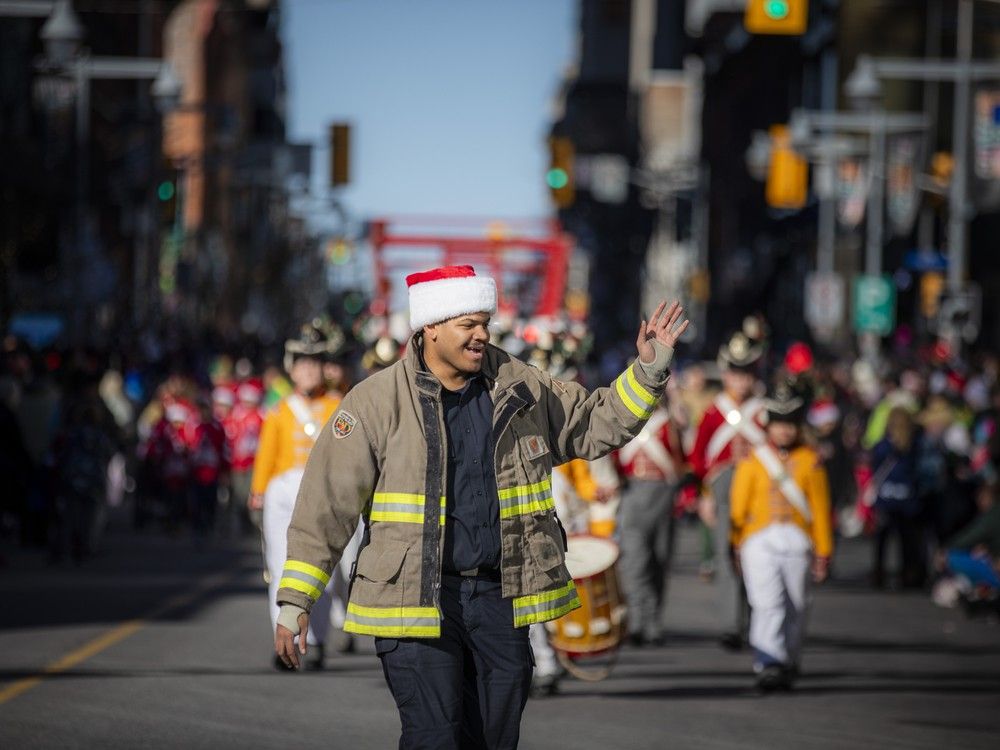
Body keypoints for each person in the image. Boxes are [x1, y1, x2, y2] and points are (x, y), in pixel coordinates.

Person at [274, 265, 688, 749]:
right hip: (414, 603)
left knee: (493, 740)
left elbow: (593, 421)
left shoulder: (521, 386)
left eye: (484, 322)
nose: (481, 334)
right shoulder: (372, 403)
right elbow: (325, 505)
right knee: (434, 738)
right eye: (467, 324)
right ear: (431, 327)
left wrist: (649, 369)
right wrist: (295, 602)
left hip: (500, 600)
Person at [249, 323, 344, 670]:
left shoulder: (339, 404)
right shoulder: (279, 410)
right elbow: (266, 456)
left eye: (315, 362)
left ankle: (315, 641)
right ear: (291, 368)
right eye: (302, 362)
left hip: (324, 491)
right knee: (279, 567)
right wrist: (257, 494)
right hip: (283, 491)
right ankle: (283, 641)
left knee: (324, 569)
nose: (308, 369)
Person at [730, 383, 834, 691]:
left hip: (798, 541)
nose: (784, 431)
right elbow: (739, 506)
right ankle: (768, 661)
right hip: (759, 540)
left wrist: (824, 552)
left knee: (796, 606)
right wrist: (735, 544)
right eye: (779, 424)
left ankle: (788, 658)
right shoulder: (753, 460)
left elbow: (820, 509)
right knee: (767, 604)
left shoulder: (810, 461)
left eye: (790, 424)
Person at [690, 332, 766, 650]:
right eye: (735, 372)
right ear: (725, 374)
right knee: (724, 555)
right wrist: (703, 497)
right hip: (722, 489)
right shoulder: (714, 411)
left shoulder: (764, 411)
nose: (740, 379)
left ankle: (754, 622)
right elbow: (698, 456)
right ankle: (731, 624)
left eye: (746, 372)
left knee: (754, 556)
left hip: (758, 490)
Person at [614, 391, 685, 646]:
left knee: (659, 559)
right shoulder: (624, 420)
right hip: (632, 493)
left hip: (662, 494)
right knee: (634, 562)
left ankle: (653, 622)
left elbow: (679, 462)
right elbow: (613, 461)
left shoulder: (669, 423)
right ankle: (636, 621)